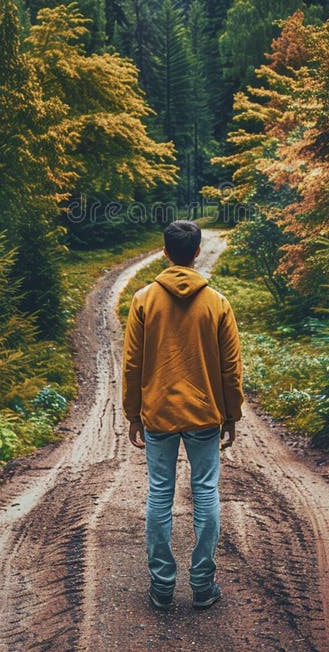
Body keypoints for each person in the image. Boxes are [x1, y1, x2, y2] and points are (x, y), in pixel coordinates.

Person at [122, 219, 243, 611]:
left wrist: (133, 413)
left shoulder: (143, 300)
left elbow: (132, 365)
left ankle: (161, 586)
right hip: (205, 414)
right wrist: (231, 414)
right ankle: (203, 585)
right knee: (206, 492)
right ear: (195, 253)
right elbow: (231, 367)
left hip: (158, 414)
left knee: (160, 493)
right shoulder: (218, 303)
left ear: (164, 252)